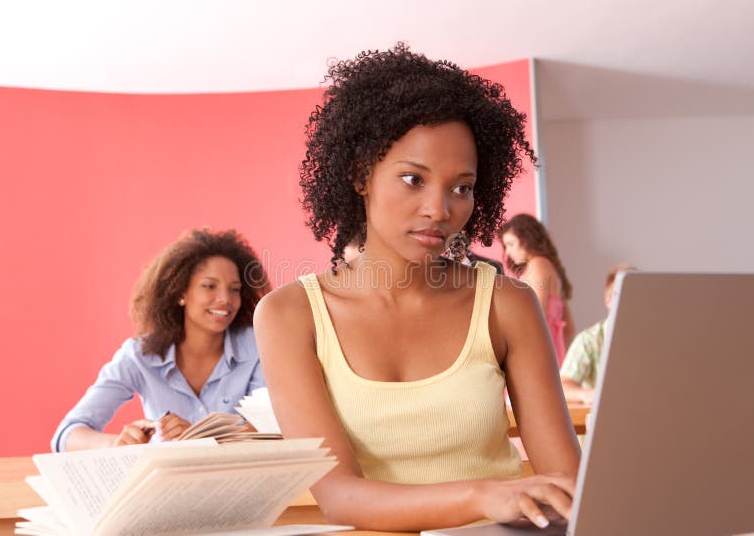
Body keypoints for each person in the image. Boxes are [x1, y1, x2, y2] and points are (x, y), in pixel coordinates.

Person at [254, 44, 580, 532]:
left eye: (461, 187)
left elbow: (566, 481)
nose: (440, 209)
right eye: (413, 179)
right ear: (361, 175)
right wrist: (484, 495)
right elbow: (341, 496)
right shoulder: (288, 315)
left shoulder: (506, 305)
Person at [52, 228, 270, 452]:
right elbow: (66, 435)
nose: (225, 299)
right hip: (169, 483)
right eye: (209, 286)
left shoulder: (259, 346)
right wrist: (117, 443)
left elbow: (271, 430)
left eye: (234, 289)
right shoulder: (140, 355)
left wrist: (198, 437)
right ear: (180, 292)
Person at [500, 214, 575, 366]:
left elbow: (535, 316)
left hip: (536, 356)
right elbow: (569, 328)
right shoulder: (548, 267)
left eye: (511, 244)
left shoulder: (538, 265)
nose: (507, 252)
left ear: (527, 239)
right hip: (549, 353)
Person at [561, 263, 636, 405]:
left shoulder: (653, 340)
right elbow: (562, 388)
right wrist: (587, 395)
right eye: (621, 294)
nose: (629, 301)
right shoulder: (589, 340)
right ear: (608, 301)